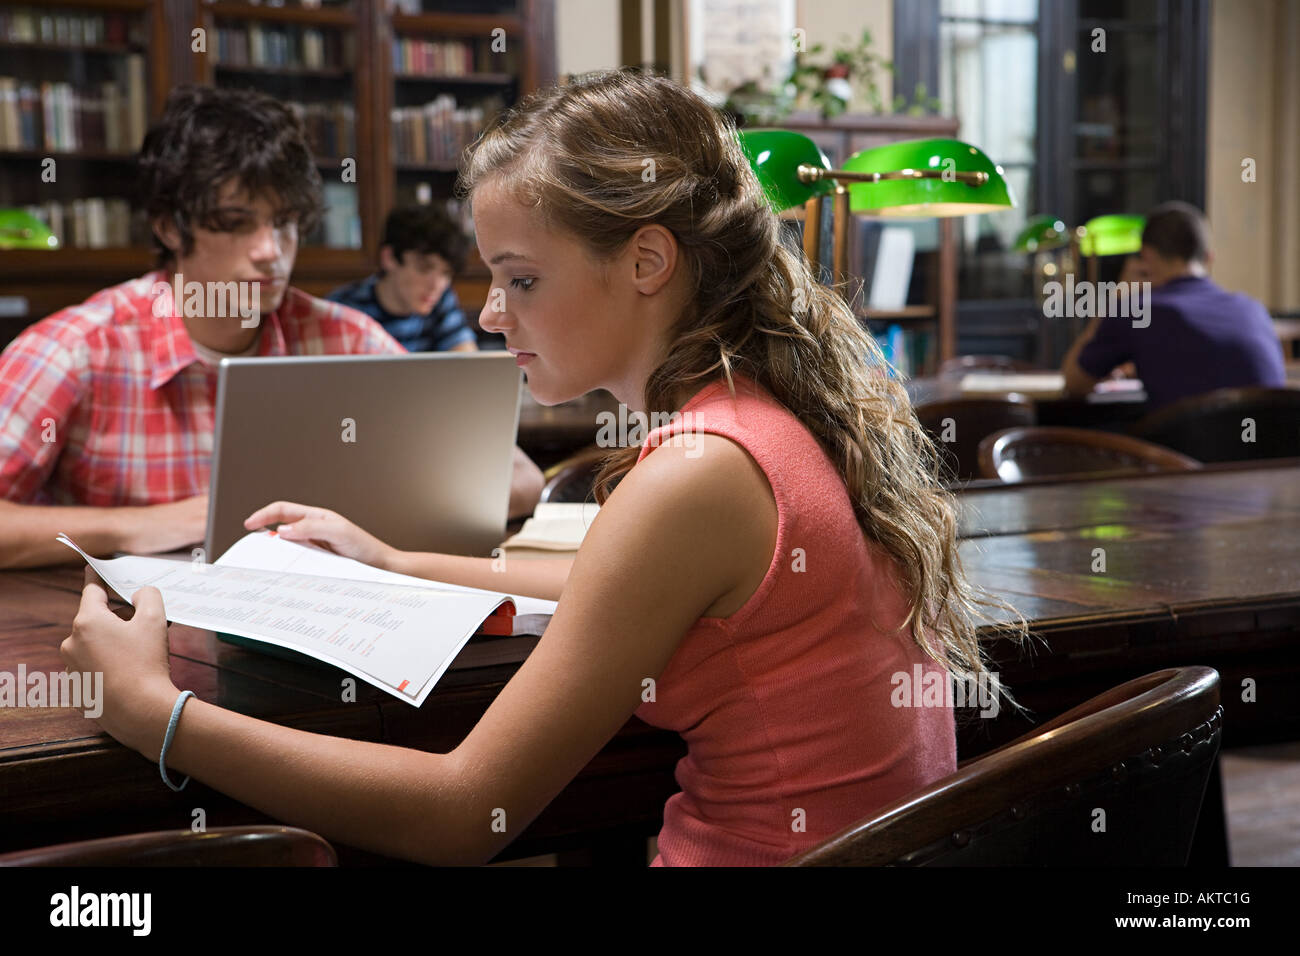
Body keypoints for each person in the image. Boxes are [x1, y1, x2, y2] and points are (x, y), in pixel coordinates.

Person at [61, 70, 1023, 867]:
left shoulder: (698, 472)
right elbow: (611, 582)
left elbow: (460, 811)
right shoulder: (759, 418)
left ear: (647, 260)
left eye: (521, 278)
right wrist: (394, 559)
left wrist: (156, 713)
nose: (489, 312)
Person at [0, 86, 542, 569]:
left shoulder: (348, 341)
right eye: (236, 224)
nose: (270, 252)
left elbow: (518, 479)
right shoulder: (74, 349)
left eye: (284, 223)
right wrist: (137, 526)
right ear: (169, 226)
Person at [1062, 201, 1286, 408]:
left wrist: (1116, 302)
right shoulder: (1253, 309)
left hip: (1179, 450)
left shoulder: (1137, 309)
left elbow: (1075, 385)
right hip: (1270, 449)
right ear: (1209, 258)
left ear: (1146, 257)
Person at [328, 204, 478, 353]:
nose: (437, 286)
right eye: (424, 268)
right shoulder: (343, 309)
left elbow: (467, 360)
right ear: (389, 258)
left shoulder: (442, 300)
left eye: (446, 273)